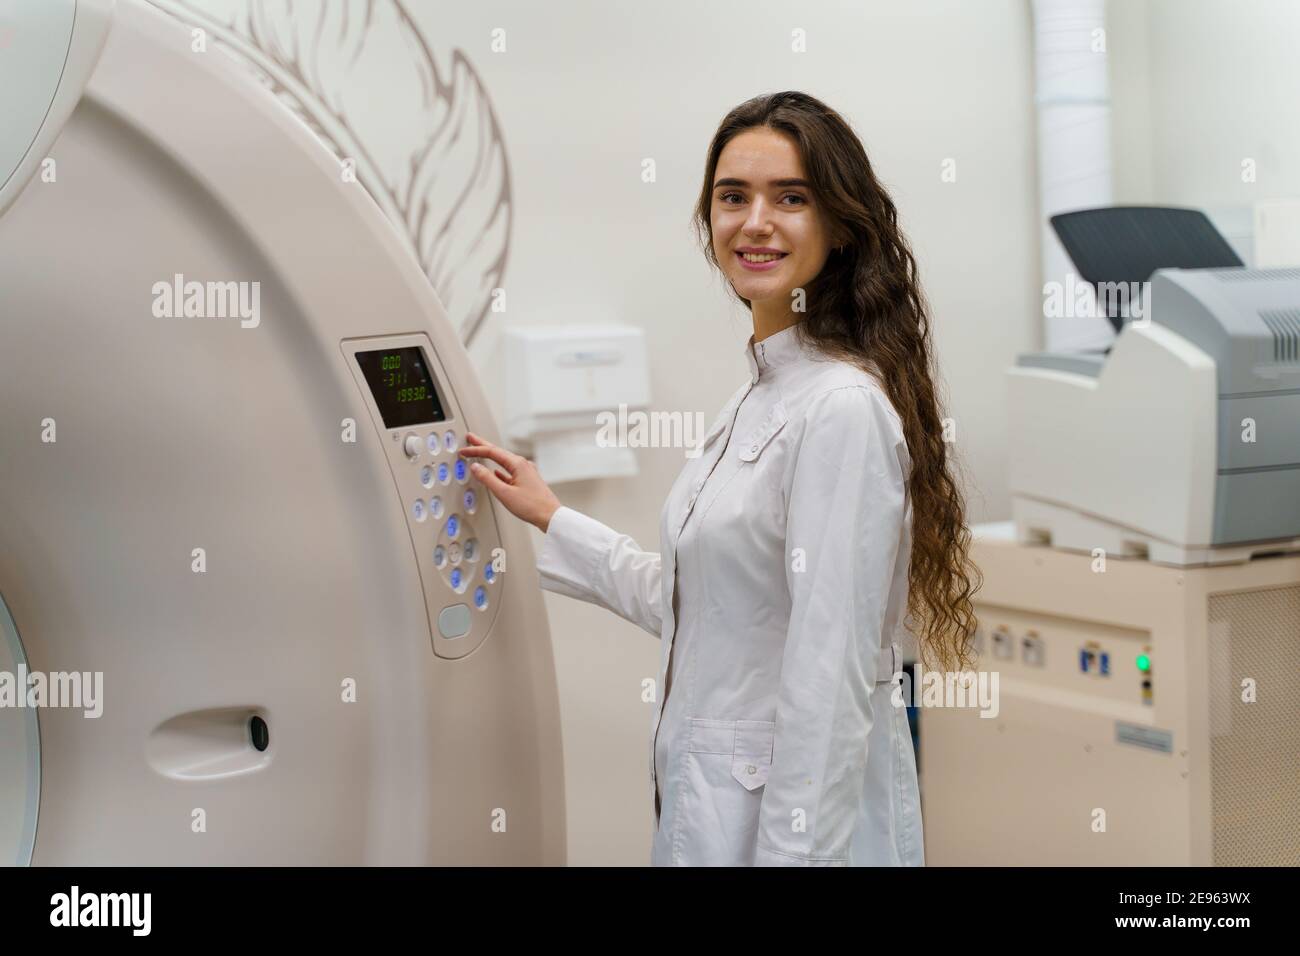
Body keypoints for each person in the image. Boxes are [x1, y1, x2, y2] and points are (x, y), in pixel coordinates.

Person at [458, 91, 980, 867]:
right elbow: (696, 599)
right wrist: (552, 517)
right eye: (732, 197)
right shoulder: (760, 392)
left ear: (839, 226)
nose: (755, 221)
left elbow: (829, 688)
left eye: (791, 198)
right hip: (710, 816)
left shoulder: (838, 409)